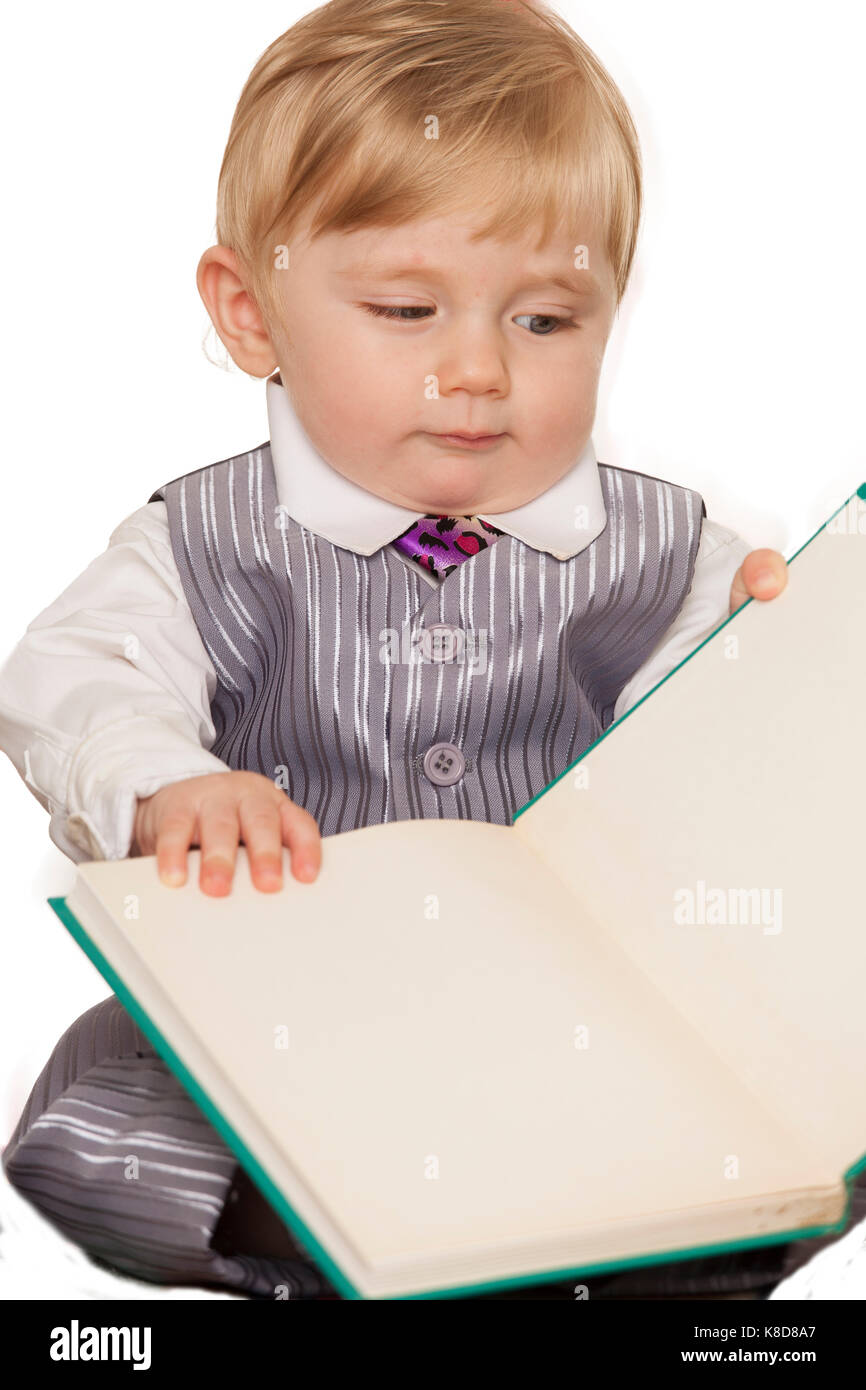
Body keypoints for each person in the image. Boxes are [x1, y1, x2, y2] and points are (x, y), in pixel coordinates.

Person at [2, 0, 812, 1300]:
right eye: (404, 308)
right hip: (293, 1026)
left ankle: (605, 1241)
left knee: (792, 1102)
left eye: (544, 321)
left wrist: (769, 664)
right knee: (93, 1101)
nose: (477, 370)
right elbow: (68, 678)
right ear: (251, 313)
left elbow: (714, 754)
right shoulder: (204, 542)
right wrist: (163, 784)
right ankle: (336, 1236)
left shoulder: (673, 551)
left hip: (572, 1034)